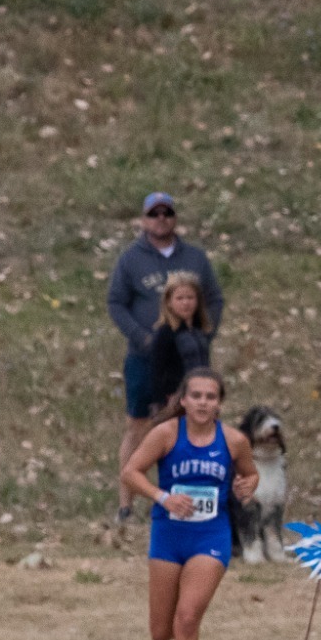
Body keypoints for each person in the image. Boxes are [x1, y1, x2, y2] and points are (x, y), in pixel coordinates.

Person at [119, 369, 258, 640]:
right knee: (161, 631)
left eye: (210, 397)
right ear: (183, 400)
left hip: (210, 536)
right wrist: (163, 497)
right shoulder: (165, 434)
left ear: (219, 403)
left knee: (188, 618)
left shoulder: (233, 441)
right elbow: (130, 472)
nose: (203, 403)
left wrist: (246, 486)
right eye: (196, 396)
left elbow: (250, 474)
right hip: (168, 536)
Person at [109, 192, 225, 524]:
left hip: (190, 361)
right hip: (145, 358)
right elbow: (116, 303)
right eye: (154, 214)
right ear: (144, 220)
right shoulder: (131, 260)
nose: (161, 219)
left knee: (190, 429)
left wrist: (204, 333)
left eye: (167, 213)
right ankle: (126, 503)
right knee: (138, 425)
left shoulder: (195, 258)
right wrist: (143, 338)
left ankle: (183, 500)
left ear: (175, 217)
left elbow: (215, 299)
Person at [147, 272, 214, 421]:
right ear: (169, 302)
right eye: (180, 298)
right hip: (176, 399)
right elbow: (156, 369)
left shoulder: (199, 330)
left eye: (190, 298)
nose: (186, 303)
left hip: (203, 396)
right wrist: (160, 403)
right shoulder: (165, 332)